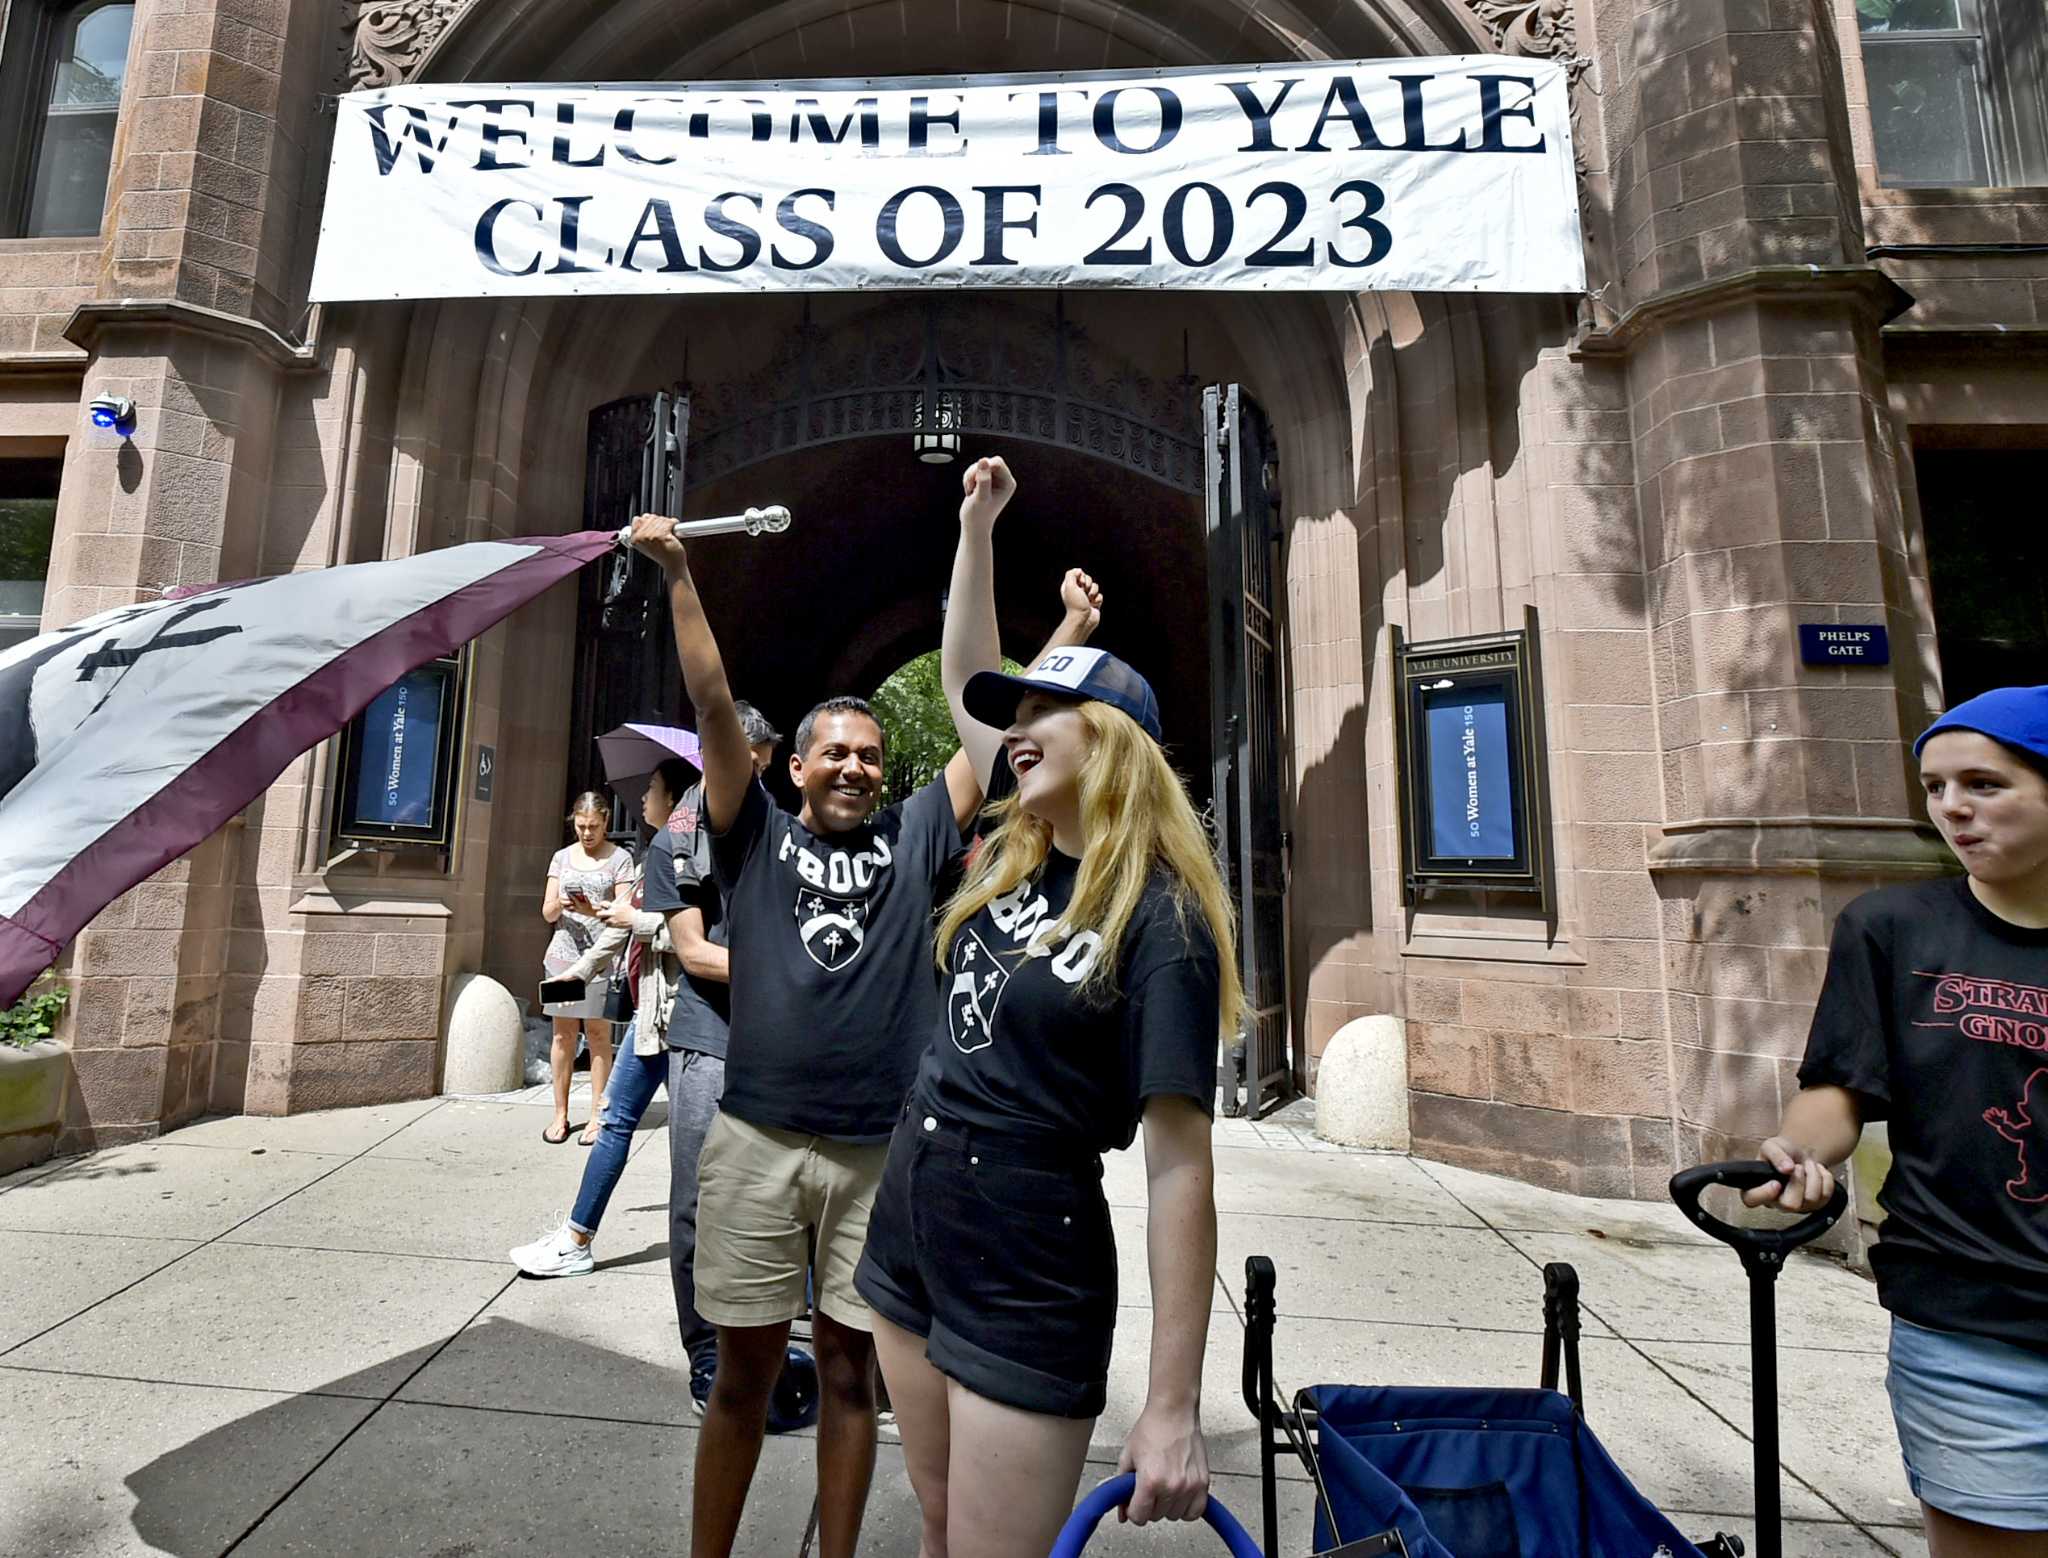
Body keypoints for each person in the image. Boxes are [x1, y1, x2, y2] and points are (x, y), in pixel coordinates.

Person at [627, 459, 1100, 1558]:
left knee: (852, 1373)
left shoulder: (918, 837)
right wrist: (678, 570)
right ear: (789, 766)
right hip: (753, 1140)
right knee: (741, 1374)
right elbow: (708, 700)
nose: (853, 765)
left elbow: (984, 712)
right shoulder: (754, 836)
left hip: (873, 1156)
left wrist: (1043, 611)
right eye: (833, 751)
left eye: (870, 756)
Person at [853, 469, 1242, 1558]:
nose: (1013, 734)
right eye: (1009, 722)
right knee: (937, 1524)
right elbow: (963, 666)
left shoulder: (1160, 919)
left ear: (1110, 738)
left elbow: (1177, 1169)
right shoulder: (1017, 849)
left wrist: (1171, 1403)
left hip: (1029, 1260)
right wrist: (975, 529)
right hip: (912, 1220)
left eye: (1038, 716)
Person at [1743, 684, 2048, 1556]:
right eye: (1934, 787)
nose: (1953, 808)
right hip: (1969, 1319)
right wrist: (1800, 1151)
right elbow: (1843, 1085)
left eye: (1984, 784)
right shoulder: (1892, 928)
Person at [540, 791, 635, 1146]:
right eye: (581, 826)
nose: (587, 833)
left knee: (597, 1034)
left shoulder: (621, 859)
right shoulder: (562, 858)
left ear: (606, 822)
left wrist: (591, 910)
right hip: (563, 957)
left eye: (593, 826)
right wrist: (562, 905)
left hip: (599, 960)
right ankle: (560, 1114)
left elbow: (624, 915)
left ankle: (597, 1114)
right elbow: (547, 912)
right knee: (563, 1034)